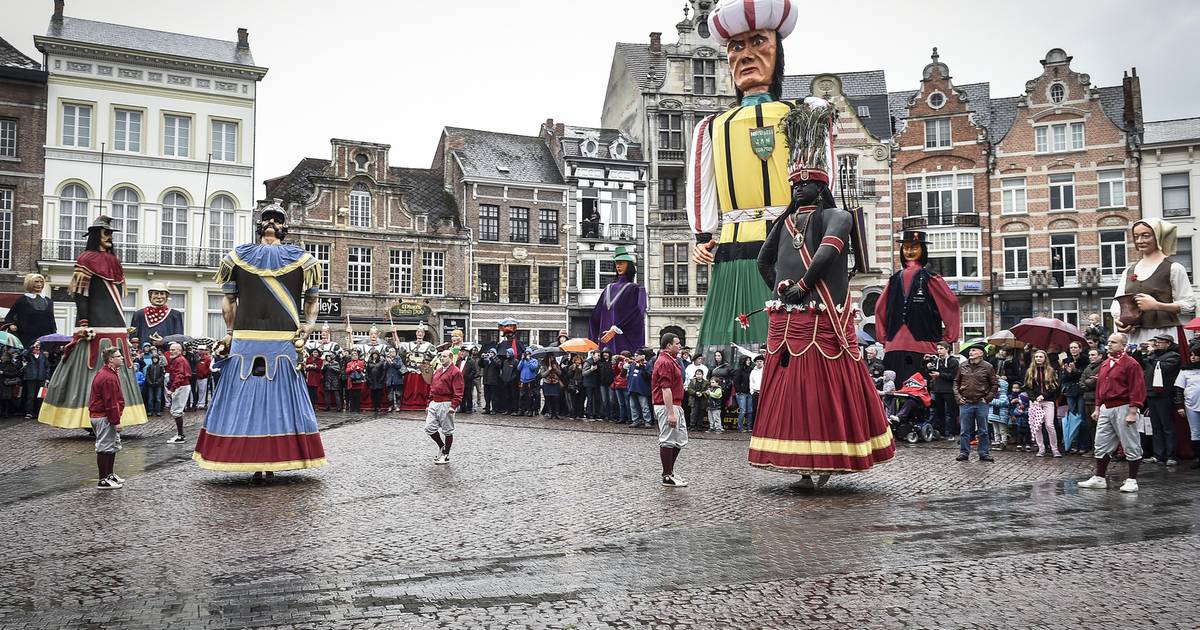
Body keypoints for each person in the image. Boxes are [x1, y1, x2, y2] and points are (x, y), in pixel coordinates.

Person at [751, 97, 895, 484]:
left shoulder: (838, 215)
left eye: (808, 184)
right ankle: (798, 459)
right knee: (795, 392)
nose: (800, 190)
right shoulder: (782, 224)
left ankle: (829, 458)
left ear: (822, 186)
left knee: (823, 388)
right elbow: (763, 262)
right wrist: (783, 293)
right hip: (791, 319)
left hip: (825, 315)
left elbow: (830, 251)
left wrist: (801, 287)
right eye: (796, 185)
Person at [687, 0, 800, 353]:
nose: (747, 54)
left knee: (791, 332)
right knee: (735, 343)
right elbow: (700, 185)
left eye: (758, 42)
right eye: (737, 46)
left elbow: (818, 182)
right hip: (734, 247)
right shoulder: (711, 126)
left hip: (790, 244)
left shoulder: (801, 116)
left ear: (777, 51)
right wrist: (703, 234)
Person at [192, 200, 326, 476]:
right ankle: (248, 457)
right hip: (246, 336)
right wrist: (230, 333)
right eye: (267, 218)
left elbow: (312, 300)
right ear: (259, 224)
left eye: (277, 219)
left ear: (285, 227)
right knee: (244, 398)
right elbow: (228, 300)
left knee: (280, 399)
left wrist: (309, 324)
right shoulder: (237, 256)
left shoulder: (304, 260)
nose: (271, 223)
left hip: (283, 339)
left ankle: (276, 458)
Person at [40, 216, 147, 430]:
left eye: (111, 233)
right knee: (90, 373)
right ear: (96, 235)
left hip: (115, 326)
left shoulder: (115, 263)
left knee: (119, 371)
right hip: (95, 328)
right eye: (106, 232)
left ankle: (120, 415)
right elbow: (81, 295)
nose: (109, 237)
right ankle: (88, 417)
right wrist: (84, 322)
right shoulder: (86, 259)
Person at [876, 230, 961, 385]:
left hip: (896, 345)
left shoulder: (896, 279)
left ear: (922, 249)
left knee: (895, 390)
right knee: (921, 394)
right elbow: (951, 304)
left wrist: (883, 338)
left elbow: (879, 308)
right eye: (906, 247)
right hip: (922, 345)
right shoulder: (929, 278)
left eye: (914, 247)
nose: (909, 251)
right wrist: (948, 337)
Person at [1110, 219, 1196, 348]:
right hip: (1136, 336)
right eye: (1136, 236)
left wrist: (1157, 305)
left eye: (1146, 236)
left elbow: (1189, 304)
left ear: (1158, 236)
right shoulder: (1128, 271)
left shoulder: (1174, 268)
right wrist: (1120, 323)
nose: (1140, 241)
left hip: (1165, 335)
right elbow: (1117, 305)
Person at [1079, 333, 1147, 492]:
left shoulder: (1131, 364)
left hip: (1123, 406)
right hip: (1106, 408)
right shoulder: (1105, 363)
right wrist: (1097, 407)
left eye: (1114, 342)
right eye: (1109, 342)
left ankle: (1132, 480)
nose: (1109, 344)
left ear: (1123, 345)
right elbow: (1100, 387)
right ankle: (1100, 477)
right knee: (1101, 443)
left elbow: (1137, 388)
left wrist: (1133, 410)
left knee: (1130, 443)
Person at [590, 247, 648, 356]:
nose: (618, 266)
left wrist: (617, 328)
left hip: (625, 344)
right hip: (606, 347)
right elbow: (595, 317)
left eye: (621, 263)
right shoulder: (608, 288)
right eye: (616, 263)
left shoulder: (637, 289)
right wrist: (593, 341)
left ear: (629, 265)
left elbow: (638, 313)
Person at [652, 333, 688, 487]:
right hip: (667, 404)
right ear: (668, 345)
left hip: (675, 403)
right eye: (677, 343)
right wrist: (671, 413)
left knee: (679, 439)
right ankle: (667, 475)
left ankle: (669, 471)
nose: (680, 346)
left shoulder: (671, 360)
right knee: (668, 439)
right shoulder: (665, 361)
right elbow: (665, 388)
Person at [89, 348, 127, 489]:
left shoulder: (109, 374)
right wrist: (116, 421)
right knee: (105, 447)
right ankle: (103, 479)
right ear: (111, 359)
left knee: (111, 446)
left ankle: (109, 475)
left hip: (104, 416)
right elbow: (110, 402)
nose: (122, 357)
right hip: (103, 416)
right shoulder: (108, 377)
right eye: (118, 356)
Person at [954, 346, 999, 462]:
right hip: (965, 402)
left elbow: (994, 384)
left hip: (981, 402)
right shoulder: (963, 365)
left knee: (983, 430)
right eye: (970, 350)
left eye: (974, 350)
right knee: (964, 430)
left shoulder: (988, 367)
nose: (971, 352)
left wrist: (988, 398)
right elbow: (956, 382)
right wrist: (958, 398)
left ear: (981, 353)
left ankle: (984, 453)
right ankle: (964, 452)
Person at [1142, 333, 1181, 465]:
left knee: (1167, 427)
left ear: (1168, 343)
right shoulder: (1154, 356)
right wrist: (1140, 353)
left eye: (1160, 342)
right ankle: (1158, 455)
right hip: (1151, 394)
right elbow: (1142, 365)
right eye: (1156, 341)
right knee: (1156, 427)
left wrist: (1151, 357)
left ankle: (1171, 456)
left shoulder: (1174, 356)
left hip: (1164, 395)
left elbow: (1164, 368)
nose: (1157, 343)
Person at [425, 349, 463, 464]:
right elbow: (433, 386)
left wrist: (454, 405)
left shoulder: (455, 372)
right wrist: (429, 402)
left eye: (445, 356)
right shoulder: (438, 371)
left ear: (451, 358)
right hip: (434, 402)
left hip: (446, 402)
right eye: (441, 356)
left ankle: (446, 454)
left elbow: (459, 390)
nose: (442, 358)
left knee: (447, 430)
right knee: (429, 427)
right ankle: (442, 446)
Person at [3, 273, 56, 349]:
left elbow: (52, 320)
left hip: (45, 339)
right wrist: (11, 325)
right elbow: (9, 317)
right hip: (26, 338)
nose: (39, 284)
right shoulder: (22, 301)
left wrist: (54, 336)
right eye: (36, 282)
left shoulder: (49, 301)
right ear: (30, 283)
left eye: (41, 282)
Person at [1025, 349, 1062, 457]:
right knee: (1037, 426)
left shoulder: (1051, 371)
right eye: (1036, 357)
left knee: (1049, 425)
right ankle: (1041, 448)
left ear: (1045, 358)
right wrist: (1033, 398)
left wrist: (1044, 395)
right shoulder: (1030, 371)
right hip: (1035, 402)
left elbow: (1055, 387)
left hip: (1048, 401)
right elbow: (1027, 387)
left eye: (1041, 357)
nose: (1038, 359)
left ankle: (1055, 449)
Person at [129, 283, 183, 350]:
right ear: (150, 295)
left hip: (167, 354)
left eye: (162, 294)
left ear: (166, 296)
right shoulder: (139, 314)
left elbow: (179, 341)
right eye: (156, 293)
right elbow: (132, 338)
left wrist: (163, 342)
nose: (159, 297)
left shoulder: (175, 315)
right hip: (143, 355)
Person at [1174, 341, 1200, 469]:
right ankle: (1197, 457)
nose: (1193, 357)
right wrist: (1179, 405)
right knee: (1195, 432)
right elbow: (1179, 389)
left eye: (1196, 355)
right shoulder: (1185, 370)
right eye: (1191, 355)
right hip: (1191, 406)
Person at [928, 342, 960, 441]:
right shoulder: (937, 361)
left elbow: (953, 376)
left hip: (948, 390)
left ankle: (951, 433)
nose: (939, 351)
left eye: (941, 348)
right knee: (939, 412)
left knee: (950, 412)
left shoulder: (953, 361)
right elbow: (930, 372)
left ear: (947, 349)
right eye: (938, 349)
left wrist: (939, 375)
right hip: (937, 390)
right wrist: (928, 367)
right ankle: (941, 432)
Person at [399, 324, 435, 411]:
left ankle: (423, 404)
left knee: (422, 389)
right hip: (411, 370)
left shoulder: (429, 345)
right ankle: (408, 404)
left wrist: (427, 363)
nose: (420, 334)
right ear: (416, 333)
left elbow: (435, 356)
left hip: (422, 371)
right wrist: (394, 333)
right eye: (418, 332)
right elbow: (400, 348)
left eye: (422, 332)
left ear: (424, 334)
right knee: (409, 388)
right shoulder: (410, 344)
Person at [164, 342, 191, 444]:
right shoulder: (177, 360)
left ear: (180, 351)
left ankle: (180, 436)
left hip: (181, 386)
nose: (171, 351)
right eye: (170, 350)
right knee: (176, 411)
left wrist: (172, 389)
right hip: (181, 386)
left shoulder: (179, 360)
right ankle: (180, 434)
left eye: (173, 350)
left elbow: (180, 375)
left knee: (176, 411)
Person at [21, 342, 49, 419]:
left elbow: (46, 367)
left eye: (38, 347)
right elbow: (25, 355)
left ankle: (38, 412)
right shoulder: (29, 355)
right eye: (36, 347)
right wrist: (32, 347)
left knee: (40, 396)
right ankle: (29, 412)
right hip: (31, 378)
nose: (37, 348)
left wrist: (47, 378)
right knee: (31, 396)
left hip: (41, 378)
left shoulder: (43, 356)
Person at [626, 353, 652, 428]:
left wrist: (642, 368)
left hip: (642, 388)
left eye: (637, 355)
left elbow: (648, 377)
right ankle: (635, 420)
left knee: (644, 406)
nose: (635, 357)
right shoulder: (632, 365)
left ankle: (647, 421)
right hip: (632, 388)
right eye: (635, 356)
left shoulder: (647, 365)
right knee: (633, 406)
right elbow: (629, 376)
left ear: (642, 356)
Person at [988, 378, 1011, 451]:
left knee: (1002, 430)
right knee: (996, 430)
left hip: (1001, 417)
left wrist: (991, 401)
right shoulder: (994, 395)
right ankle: (997, 441)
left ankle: (1003, 442)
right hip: (994, 416)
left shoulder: (1003, 396)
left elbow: (1002, 402)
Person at [733, 356, 754, 433]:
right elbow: (736, 382)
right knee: (743, 410)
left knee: (750, 411)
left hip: (749, 392)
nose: (748, 361)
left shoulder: (751, 370)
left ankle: (749, 427)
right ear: (743, 361)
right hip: (741, 393)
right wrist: (739, 391)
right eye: (747, 360)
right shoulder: (738, 371)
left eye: (749, 360)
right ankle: (740, 427)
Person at [1009, 383, 1031, 452]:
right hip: (1019, 423)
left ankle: (1028, 444)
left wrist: (1023, 412)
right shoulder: (1018, 406)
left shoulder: (1028, 407)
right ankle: (1019, 444)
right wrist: (1018, 412)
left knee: (1027, 434)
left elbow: (1029, 414)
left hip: (1026, 423)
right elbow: (1015, 412)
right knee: (1019, 434)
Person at [344, 349, 366, 413]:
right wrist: (351, 368)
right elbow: (346, 371)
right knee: (351, 396)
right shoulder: (349, 363)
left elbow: (363, 370)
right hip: (351, 382)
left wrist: (358, 368)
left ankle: (357, 408)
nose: (354, 356)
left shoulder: (361, 362)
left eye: (356, 355)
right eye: (353, 355)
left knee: (358, 396)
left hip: (358, 382)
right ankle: (352, 408)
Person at [366, 351, 388, 415]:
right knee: (373, 395)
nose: (375, 356)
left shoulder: (381, 362)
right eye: (373, 355)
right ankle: (374, 406)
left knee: (378, 395)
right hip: (372, 381)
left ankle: (378, 406)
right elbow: (367, 371)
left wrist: (381, 379)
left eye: (376, 355)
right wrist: (368, 378)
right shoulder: (369, 362)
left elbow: (383, 371)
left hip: (379, 381)